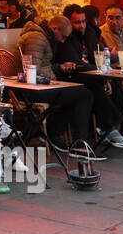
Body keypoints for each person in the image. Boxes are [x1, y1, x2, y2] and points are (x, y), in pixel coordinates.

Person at [17, 14, 94, 151]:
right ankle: (78, 144)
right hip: (34, 90)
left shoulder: (43, 37)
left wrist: (59, 67)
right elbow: (32, 71)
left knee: (81, 94)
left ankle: (52, 133)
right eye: (63, 36)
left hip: (42, 85)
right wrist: (54, 79)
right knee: (84, 95)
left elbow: (40, 67)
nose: (63, 41)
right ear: (54, 28)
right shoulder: (37, 38)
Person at [56, 8, 123, 148]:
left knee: (117, 85)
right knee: (94, 88)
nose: (81, 25)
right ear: (68, 24)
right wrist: (101, 73)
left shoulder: (89, 34)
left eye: (83, 22)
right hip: (71, 76)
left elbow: (100, 55)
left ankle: (112, 128)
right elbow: (76, 64)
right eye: (77, 22)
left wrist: (105, 75)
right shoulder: (65, 38)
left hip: (92, 75)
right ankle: (106, 128)